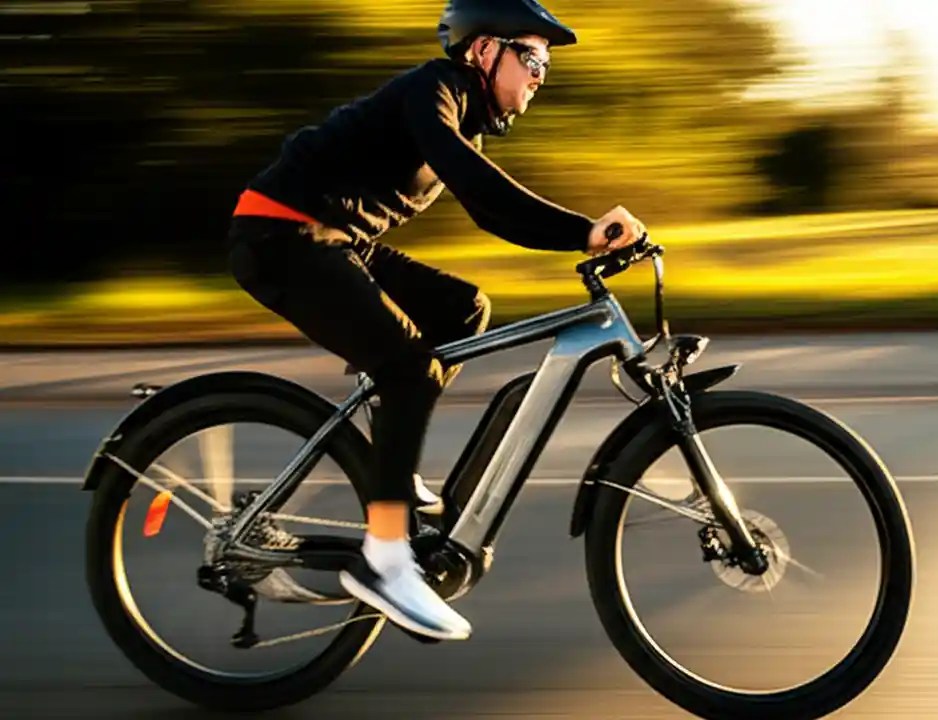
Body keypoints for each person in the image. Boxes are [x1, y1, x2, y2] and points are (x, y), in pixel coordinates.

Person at [225, 0, 645, 641]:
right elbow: (480, 189)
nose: (540, 77)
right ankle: (384, 560)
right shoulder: (435, 90)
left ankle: (389, 440)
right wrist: (583, 231)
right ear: (483, 51)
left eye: (546, 67)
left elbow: (492, 210)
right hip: (282, 232)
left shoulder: (463, 119)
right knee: (412, 371)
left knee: (462, 308)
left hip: (338, 239)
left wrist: (581, 235)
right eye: (532, 58)